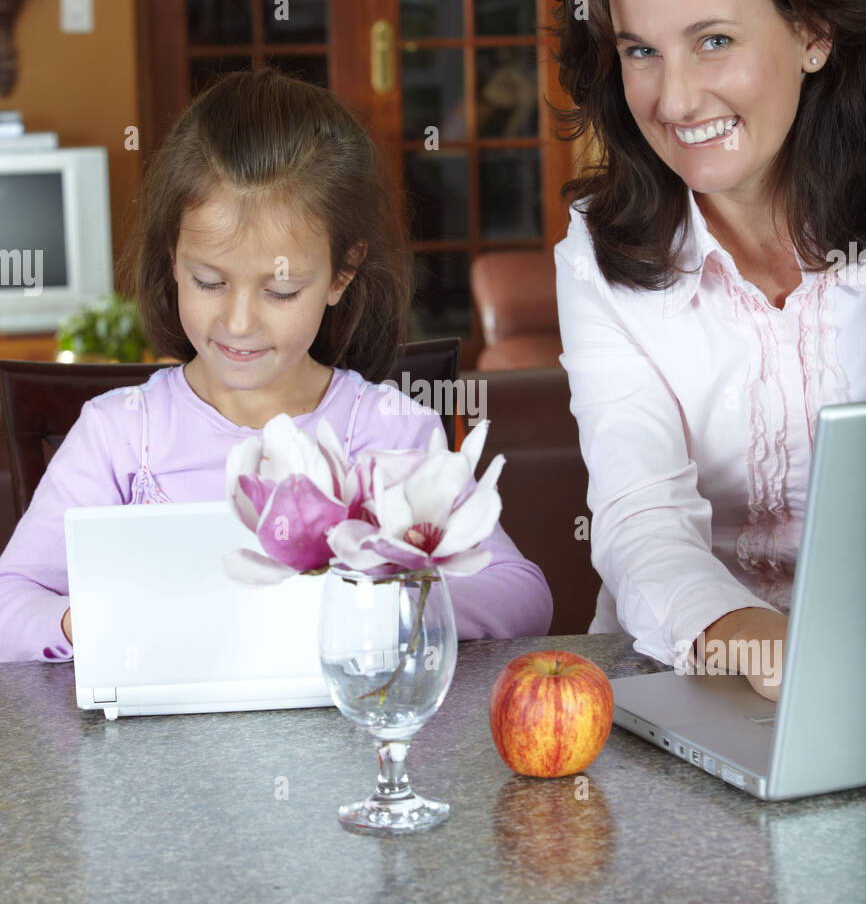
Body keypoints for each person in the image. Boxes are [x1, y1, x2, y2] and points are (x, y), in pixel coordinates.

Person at [0, 68, 552, 662]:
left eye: (281, 292)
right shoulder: (118, 436)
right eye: (209, 281)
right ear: (174, 259)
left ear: (342, 274)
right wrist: (89, 621)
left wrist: (375, 604)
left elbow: (522, 595)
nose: (238, 323)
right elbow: (10, 599)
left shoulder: (389, 432)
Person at [547, 0, 866, 702]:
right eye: (640, 50)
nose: (676, 100)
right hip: (684, 683)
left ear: (812, 33)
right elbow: (639, 516)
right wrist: (764, 650)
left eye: (713, 41)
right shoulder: (598, 258)